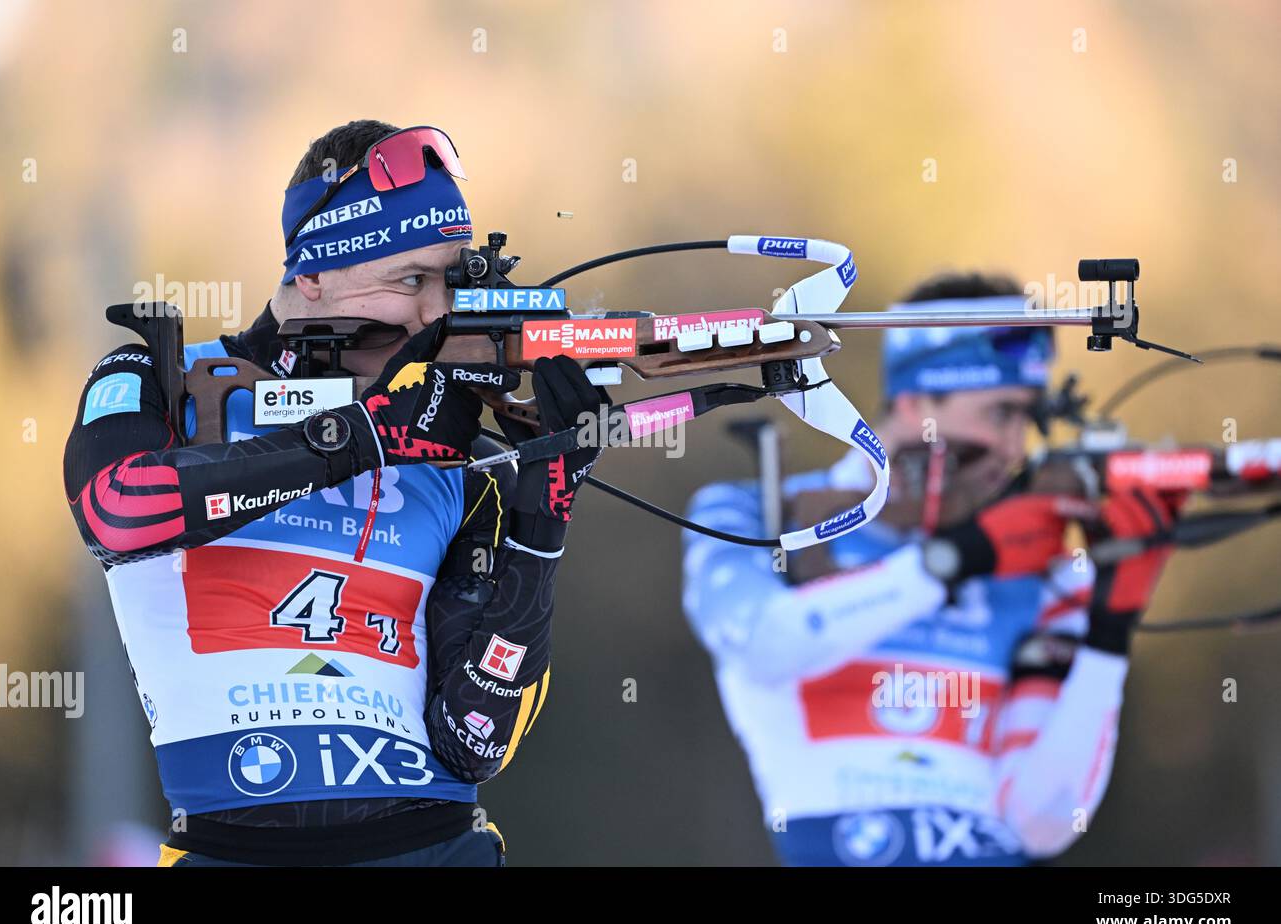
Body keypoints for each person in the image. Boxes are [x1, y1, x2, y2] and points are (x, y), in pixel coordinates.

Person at [63, 120, 605, 866]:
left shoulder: (461, 452)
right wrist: (360, 438)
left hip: (437, 850)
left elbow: (475, 740)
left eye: (453, 280)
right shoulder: (168, 381)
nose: (434, 312)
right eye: (410, 280)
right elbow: (117, 511)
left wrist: (541, 524)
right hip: (230, 850)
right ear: (312, 276)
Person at [682, 272, 1181, 866]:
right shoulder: (751, 510)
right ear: (917, 404)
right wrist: (945, 563)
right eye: (1000, 414)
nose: (1015, 448)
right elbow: (761, 644)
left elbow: (1044, 821)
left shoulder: (1040, 565)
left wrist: (1108, 633)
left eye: (1030, 420)